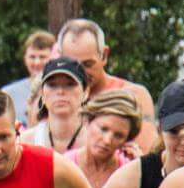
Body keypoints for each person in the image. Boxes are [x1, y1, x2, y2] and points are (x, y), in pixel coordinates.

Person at [55, 18, 158, 149]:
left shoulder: (132, 95)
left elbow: (145, 153)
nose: (80, 73)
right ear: (59, 58)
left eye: (87, 65)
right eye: (72, 65)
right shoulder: (53, 98)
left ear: (104, 55)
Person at [25, 55, 90, 151]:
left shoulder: (95, 142)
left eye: (70, 84)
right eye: (52, 85)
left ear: (85, 92)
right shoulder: (25, 142)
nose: (60, 91)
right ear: (42, 93)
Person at [4, 30, 56, 122]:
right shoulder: (9, 94)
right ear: (25, 59)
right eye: (32, 57)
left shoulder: (62, 91)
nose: (37, 62)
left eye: (42, 57)